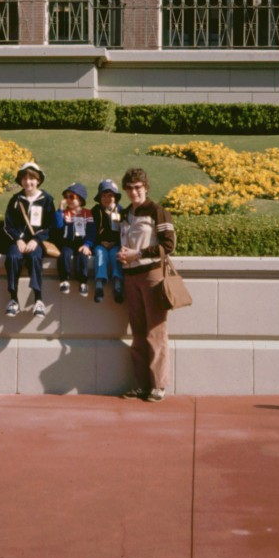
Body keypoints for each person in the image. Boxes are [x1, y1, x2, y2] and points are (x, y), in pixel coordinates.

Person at [118, 167, 176, 403]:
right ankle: (141, 385)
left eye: (138, 187)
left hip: (152, 275)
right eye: (130, 188)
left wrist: (137, 253)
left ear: (146, 187)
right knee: (138, 333)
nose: (134, 192)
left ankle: (158, 385)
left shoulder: (157, 211)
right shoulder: (124, 214)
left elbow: (168, 245)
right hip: (130, 276)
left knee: (156, 331)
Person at [2, 161, 56, 318]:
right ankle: (13, 300)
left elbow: (51, 226)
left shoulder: (47, 199)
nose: (28, 182)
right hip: (18, 242)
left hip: (36, 243)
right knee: (12, 257)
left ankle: (38, 300)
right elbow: (7, 225)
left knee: (34, 258)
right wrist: (18, 239)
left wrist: (37, 240)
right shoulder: (15, 200)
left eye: (32, 178)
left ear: (38, 180)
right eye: (24, 178)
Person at [54, 182, 95, 296]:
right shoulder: (64, 213)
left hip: (81, 243)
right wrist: (59, 210)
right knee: (65, 254)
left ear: (80, 200)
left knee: (82, 257)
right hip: (68, 242)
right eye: (66, 197)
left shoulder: (87, 213)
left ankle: (82, 282)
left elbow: (91, 231)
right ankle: (64, 280)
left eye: (72, 197)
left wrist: (87, 244)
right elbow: (58, 226)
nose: (68, 199)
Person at [91, 179, 125, 304]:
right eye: (104, 196)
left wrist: (115, 243)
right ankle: (99, 285)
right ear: (99, 197)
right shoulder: (95, 211)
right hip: (100, 244)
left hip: (115, 245)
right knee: (100, 255)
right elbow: (92, 231)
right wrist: (100, 242)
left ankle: (117, 285)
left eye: (110, 195)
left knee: (116, 256)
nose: (106, 199)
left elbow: (124, 232)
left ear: (115, 197)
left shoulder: (121, 212)